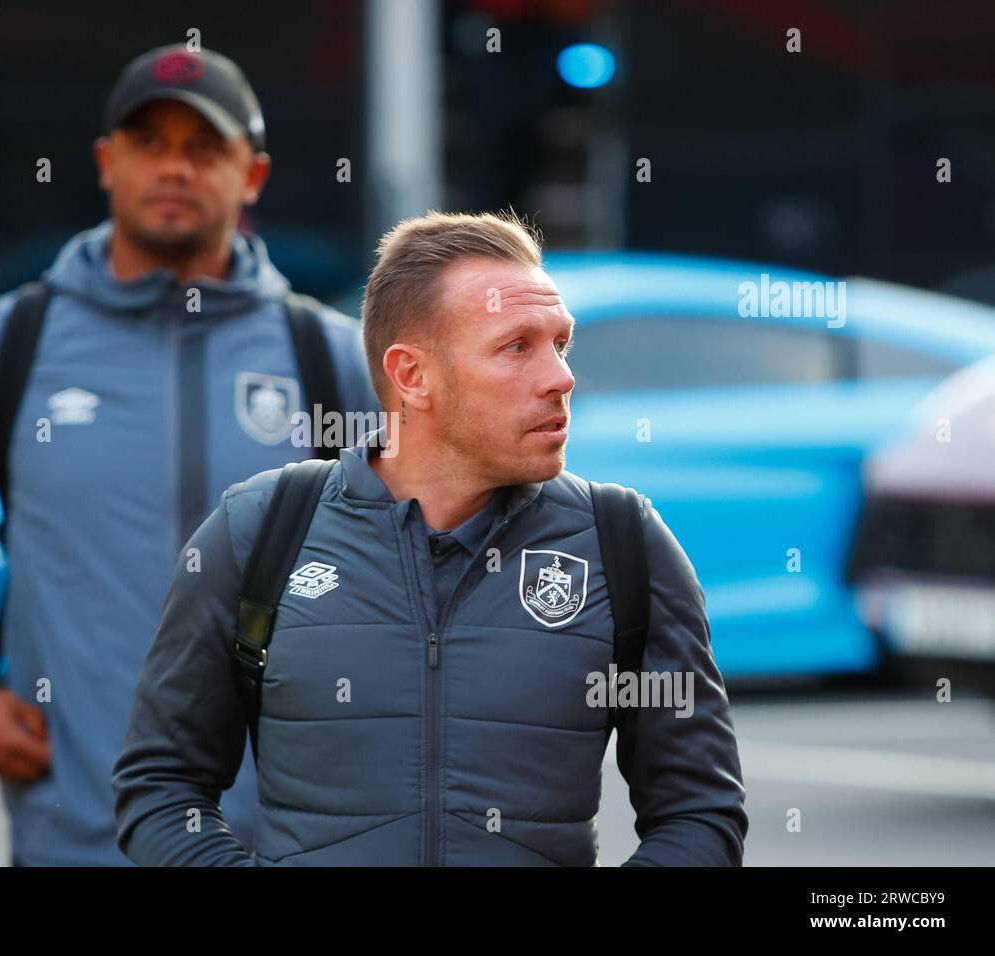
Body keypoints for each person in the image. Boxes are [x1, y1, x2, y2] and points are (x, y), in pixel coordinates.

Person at [0, 44, 375, 866]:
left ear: (252, 177)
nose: (175, 168)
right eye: (150, 144)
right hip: (77, 837)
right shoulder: (7, 345)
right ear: (106, 162)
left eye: (204, 149)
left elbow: (421, 571)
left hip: (285, 846)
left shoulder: (329, 359)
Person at [112, 210, 748, 866]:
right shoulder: (259, 531)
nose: (560, 377)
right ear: (412, 376)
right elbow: (162, 788)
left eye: (560, 343)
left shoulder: (622, 541)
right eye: (517, 347)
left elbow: (698, 813)